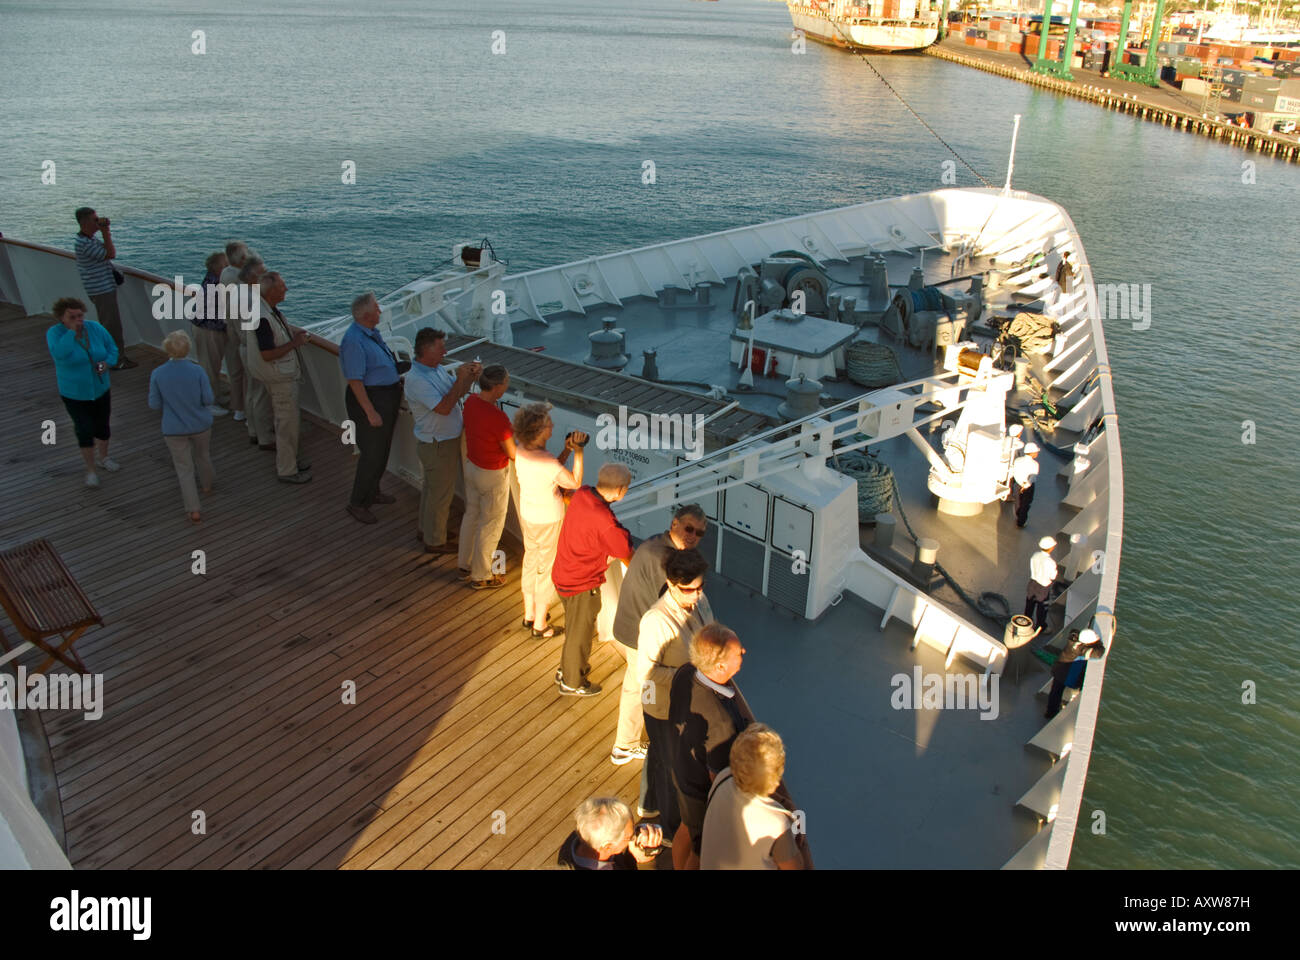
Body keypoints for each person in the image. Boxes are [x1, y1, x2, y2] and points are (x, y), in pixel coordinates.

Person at [609, 504, 708, 768]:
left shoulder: (656, 543)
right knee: (642, 684)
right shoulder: (665, 560)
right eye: (689, 528)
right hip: (637, 634)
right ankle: (626, 744)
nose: (693, 536)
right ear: (674, 524)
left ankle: (627, 742)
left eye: (699, 533)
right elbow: (674, 603)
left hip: (630, 625)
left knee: (638, 683)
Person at [635, 548, 712, 840]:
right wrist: (691, 674)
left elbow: (710, 629)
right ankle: (669, 829)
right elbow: (647, 672)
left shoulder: (700, 599)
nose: (695, 595)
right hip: (662, 705)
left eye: (700, 586)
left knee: (658, 752)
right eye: (688, 589)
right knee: (672, 768)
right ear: (670, 584)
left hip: (679, 700)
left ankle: (647, 803)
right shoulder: (656, 620)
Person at [670, 622, 751, 870]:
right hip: (700, 792)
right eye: (738, 653)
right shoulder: (722, 725)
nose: (744, 652)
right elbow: (719, 778)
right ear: (720, 667)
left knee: (687, 827)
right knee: (701, 847)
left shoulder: (685, 673)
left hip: (682, 770)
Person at [551, 462, 635, 697]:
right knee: (580, 635)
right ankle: (572, 681)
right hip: (581, 584)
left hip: (562, 574)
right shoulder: (605, 521)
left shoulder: (583, 495)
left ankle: (566, 669)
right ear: (619, 491)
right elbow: (624, 550)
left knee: (573, 628)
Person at [511, 402, 584, 638]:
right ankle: (540, 624)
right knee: (546, 569)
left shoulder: (521, 449)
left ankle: (529, 614)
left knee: (531, 562)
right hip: (548, 520)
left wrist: (566, 451)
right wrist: (579, 451)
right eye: (548, 424)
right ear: (539, 429)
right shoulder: (545, 460)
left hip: (529, 515)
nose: (552, 427)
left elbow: (551, 473)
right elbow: (573, 482)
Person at [405, 327, 481, 552]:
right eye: (440, 347)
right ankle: (434, 541)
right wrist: (459, 378)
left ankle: (426, 530)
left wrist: (467, 378)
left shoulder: (435, 369)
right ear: (426, 350)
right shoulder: (417, 379)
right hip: (438, 444)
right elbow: (445, 407)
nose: (444, 351)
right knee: (440, 495)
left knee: (431, 491)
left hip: (438, 442)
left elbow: (457, 393)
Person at [700, 724, 805, 870]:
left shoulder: (723, 778)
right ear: (775, 780)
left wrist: (782, 802)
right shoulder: (776, 824)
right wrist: (801, 832)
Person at [340, 292, 403, 523]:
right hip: (372, 400)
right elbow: (355, 380)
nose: (380, 310)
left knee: (382, 449)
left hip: (385, 396)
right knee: (371, 453)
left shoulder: (370, 333)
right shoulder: (353, 341)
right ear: (367, 315)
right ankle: (357, 502)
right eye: (377, 308)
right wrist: (370, 412)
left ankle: (373, 491)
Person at [245, 272, 312, 484]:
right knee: (287, 424)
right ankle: (287, 470)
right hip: (280, 378)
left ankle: (289, 460)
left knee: (285, 421)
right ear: (271, 292)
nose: (287, 289)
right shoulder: (263, 317)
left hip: (273, 376)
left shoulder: (262, 309)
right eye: (283, 286)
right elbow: (267, 354)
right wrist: (295, 343)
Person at [46, 297, 119, 487]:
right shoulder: (54, 334)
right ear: (62, 317)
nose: (78, 319)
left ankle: (104, 457)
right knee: (84, 429)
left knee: (103, 426)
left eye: (80, 315)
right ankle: (91, 470)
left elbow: (112, 348)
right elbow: (60, 355)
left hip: (100, 388)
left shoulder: (94, 328)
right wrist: (71, 332)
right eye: (72, 316)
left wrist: (107, 362)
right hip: (74, 393)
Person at [147, 330, 216, 523]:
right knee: (203, 455)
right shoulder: (198, 370)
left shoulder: (158, 373)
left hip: (174, 428)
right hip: (201, 424)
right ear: (188, 348)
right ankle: (207, 485)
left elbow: (154, 404)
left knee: (184, 468)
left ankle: (194, 509)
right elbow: (208, 399)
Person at [457, 365, 516, 587]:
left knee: (471, 515)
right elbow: (512, 453)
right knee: (490, 525)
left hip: (471, 467)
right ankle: (481, 576)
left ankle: (464, 564)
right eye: (506, 383)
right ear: (498, 387)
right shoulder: (499, 418)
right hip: (492, 474)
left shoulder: (471, 402)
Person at [73, 207, 134, 368]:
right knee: (111, 325)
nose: (98, 222)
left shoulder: (88, 239)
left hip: (102, 287)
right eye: (95, 219)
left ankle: (114, 357)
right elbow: (111, 253)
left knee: (110, 324)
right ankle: (116, 360)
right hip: (101, 290)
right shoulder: (84, 243)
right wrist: (106, 232)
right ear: (85, 222)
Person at [556, 798, 662, 870]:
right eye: (629, 837)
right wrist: (642, 862)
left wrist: (632, 856)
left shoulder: (584, 835)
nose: (634, 837)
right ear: (608, 846)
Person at [235, 256, 272, 448]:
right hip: (254, 349)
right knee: (260, 394)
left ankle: (253, 430)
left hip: (244, 347)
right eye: (263, 271)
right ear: (252, 276)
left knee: (251, 391)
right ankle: (264, 436)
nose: (266, 274)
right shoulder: (252, 298)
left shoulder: (239, 293)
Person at [190, 251, 231, 417]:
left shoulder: (214, 280)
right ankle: (208, 403)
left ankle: (215, 396)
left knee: (212, 366)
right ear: (218, 268)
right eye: (227, 266)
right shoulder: (216, 285)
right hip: (208, 330)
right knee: (209, 367)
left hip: (211, 329)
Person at [219, 242, 252, 426]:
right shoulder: (237, 277)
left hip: (230, 325)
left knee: (235, 370)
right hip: (241, 327)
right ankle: (248, 412)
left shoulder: (225, 273)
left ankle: (239, 409)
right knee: (248, 371)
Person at [1045, 627, 1105, 719]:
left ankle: (1050, 713)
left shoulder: (1072, 639)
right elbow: (1099, 652)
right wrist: (1098, 644)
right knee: (1079, 685)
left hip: (1058, 670)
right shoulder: (1085, 651)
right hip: (1068, 676)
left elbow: (1074, 630)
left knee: (1055, 693)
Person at [1024, 535, 1058, 631]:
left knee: (1029, 604)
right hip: (1043, 587)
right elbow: (1053, 576)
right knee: (1042, 608)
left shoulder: (1035, 555)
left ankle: (1026, 622)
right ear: (1051, 548)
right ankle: (1041, 626)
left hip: (1032, 583)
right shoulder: (1051, 562)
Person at [1010, 442, 1041, 528]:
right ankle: (1021, 522)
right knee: (1025, 504)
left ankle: (1018, 516)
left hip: (1018, 484)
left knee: (1018, 502)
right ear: (1032, 453)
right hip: (1028, 487)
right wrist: (1027, 485)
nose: (1037, 453)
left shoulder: (1017, 460)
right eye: (1036, 452)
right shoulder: (1035, 464)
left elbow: (1014, 472)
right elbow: (1033, 476)